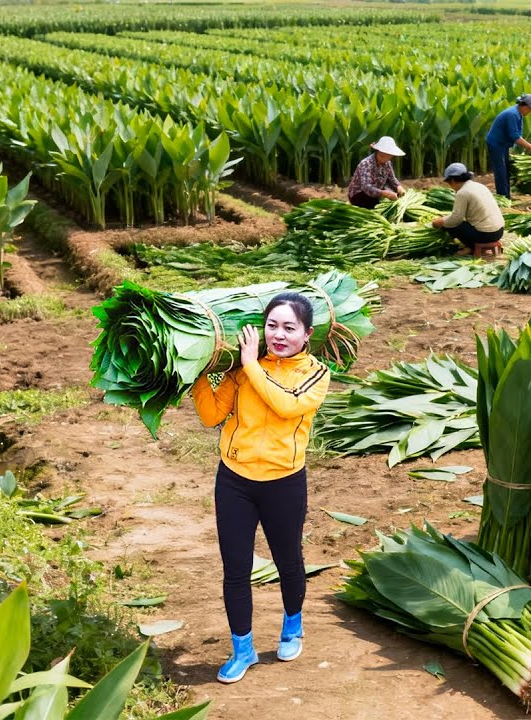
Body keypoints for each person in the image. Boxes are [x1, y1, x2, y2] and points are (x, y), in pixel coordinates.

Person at [192, 293, 331, 684]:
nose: (279, 335)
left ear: (307, 334)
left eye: (289, 328)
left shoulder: (316, 374)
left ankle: (292, 626)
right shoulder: (242, 370)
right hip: (234, 480)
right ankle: (243, 649)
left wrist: (251, 364)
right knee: (235, 569)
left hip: (283, 482)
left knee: (288, 561)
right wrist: (199, 372)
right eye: (272, 326)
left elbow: (286, 405)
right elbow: (211, 415)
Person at [432, 163, 505, 254]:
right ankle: (471, 246)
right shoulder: (479, 186)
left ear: (452, 180)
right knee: (454, 222)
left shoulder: (462, 192)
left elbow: (456, 219)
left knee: (450, 225)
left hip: (485, 235)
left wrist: (440, 222)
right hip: (499, 232)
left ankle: (471, 247)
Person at [485, 93, 531, 199]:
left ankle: (506, 195)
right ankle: (503, 197)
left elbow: (515, 135)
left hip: (503, 143)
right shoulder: (512, 114)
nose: (530, 112)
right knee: (501, 170)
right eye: (530, 109)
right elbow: (515, 137)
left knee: (506, 169)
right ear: (524, 105)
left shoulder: (517, 113)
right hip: (496, 144)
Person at [346, 136, 406, 209]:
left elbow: (392, 178)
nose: (391, 156)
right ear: (381, 152)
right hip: (360, 194)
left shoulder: (387, 163)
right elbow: (366, 187)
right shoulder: (366, 163)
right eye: (389, 154)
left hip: (376, 193)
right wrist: (384, 193)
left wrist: (399, 187)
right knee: (374, 204)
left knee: (394, 195)